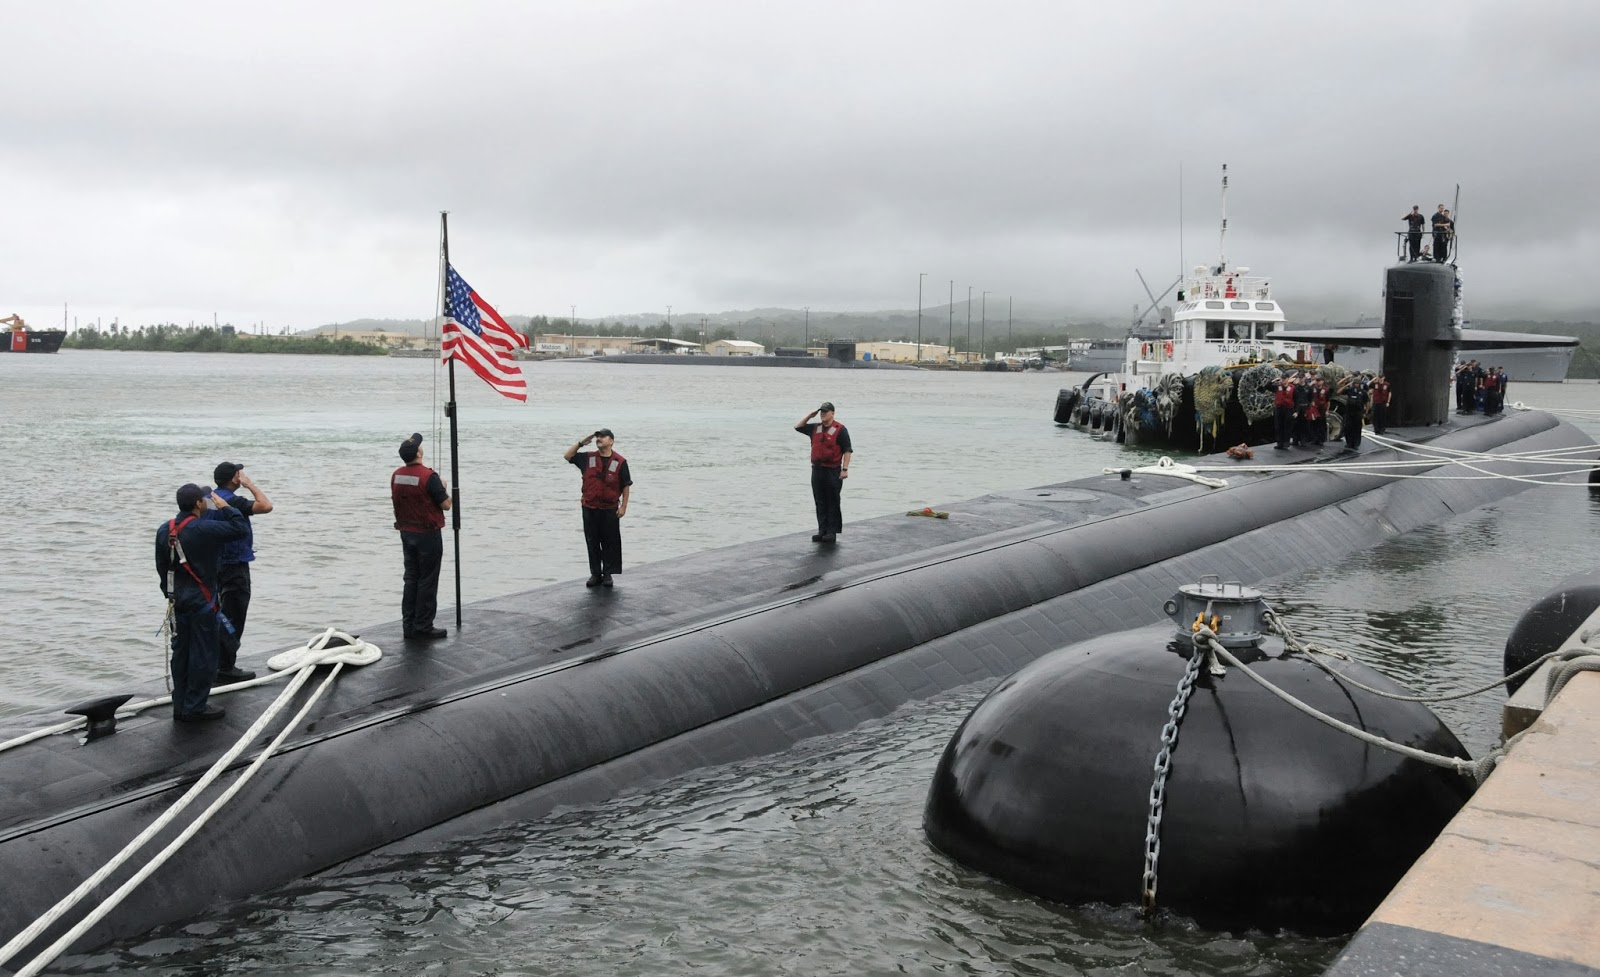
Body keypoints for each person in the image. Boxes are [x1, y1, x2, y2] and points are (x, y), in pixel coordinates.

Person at [156, 483, 248, 722]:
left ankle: (181, 705)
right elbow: (239, 529)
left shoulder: (164, 529)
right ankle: (196, 705)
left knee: (181, 654)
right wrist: (226, 506)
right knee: (204, 654)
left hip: (177, 601)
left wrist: (169, 593)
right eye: (203, 499)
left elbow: (162, 567)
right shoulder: (204, 528)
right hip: (202, 601)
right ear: (199, 503)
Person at [209, 462, 273, 684]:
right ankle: (226, 667)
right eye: (239, 473)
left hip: (215, 565)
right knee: (234, 615)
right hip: (235, 564)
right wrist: (249, 485)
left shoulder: (208, 498)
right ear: (234, 478)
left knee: (221, 614)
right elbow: (266, 506)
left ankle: (217, 661)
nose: (242, 475)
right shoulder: (232, 500)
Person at [391, 432, 451, 639]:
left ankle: (408, 625)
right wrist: (444, 487)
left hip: (406, 533)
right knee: (428, 580)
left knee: (411, 579)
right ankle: (424, 625)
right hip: (428, 535)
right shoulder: (429, 476)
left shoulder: (397, 475)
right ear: (418, 453)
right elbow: (446, 505)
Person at [564, 427, 632, 587]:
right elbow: (567, 456)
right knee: (592, 541)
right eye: (597, 437)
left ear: (611, 441)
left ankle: (607, 574)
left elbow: (626, 485)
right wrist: (581, 443)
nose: (599, 439)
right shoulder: (587, 458)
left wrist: (624, 507)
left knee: (609, 541)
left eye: (603, 436)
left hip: (609, 508)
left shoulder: (620, 461)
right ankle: (595, 574)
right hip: (590, 507)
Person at [796, 401, 852, 542]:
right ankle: (822, 530)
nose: (822, 415)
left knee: (832, 500)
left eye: (825, 412)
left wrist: (844, 469)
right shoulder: (815, 428)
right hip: (817, 470)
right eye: (821, 412)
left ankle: (831, 532)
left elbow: (847, 450)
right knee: (819, 501)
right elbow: (798, 427)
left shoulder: (840, 429)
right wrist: (810, 415)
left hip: (832, 470)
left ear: (832, 413)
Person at [1340, 374, 1369, 451]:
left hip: (1358, 412)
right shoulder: (1350, 390)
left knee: (1357, 428)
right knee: (1348, 428)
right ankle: (1349, 443)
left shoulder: (1362, 392)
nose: (1355, 384)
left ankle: (1356, 444)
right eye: (1354, 383)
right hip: (1349, 412)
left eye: (1357, 383)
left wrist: (1366, 412)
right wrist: (1346, 386)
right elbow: (1338, 391)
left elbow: (1367, 402)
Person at [1272, 375, 1296, 450]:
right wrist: (1274, 381)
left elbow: (1296, 399)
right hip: (1279, 408)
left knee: (1287, 426)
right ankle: (1279, 443)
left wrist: (1296, 411)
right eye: (1282, 379)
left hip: (1288, 409)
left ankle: (1286, 442)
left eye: (1285, 379)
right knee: (1278, 426)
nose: (1283, 380)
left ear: (1288, 379)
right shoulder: (1277, 387)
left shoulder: (1293, 388)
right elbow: (1267, 386)